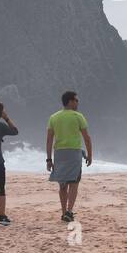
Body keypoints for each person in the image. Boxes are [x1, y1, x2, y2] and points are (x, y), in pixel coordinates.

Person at [46, 90, 92, 223]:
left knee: (62, 185)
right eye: (76, 100)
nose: (78, 102)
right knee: (74, 183)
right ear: (70, 101)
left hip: (59, 154)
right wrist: (90, 154)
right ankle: (69, 211)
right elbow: (87, 138)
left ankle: (63, 211)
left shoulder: (53, 117)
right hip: (74, 153)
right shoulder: (78, 116)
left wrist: (49, 159)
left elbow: (49, 140)